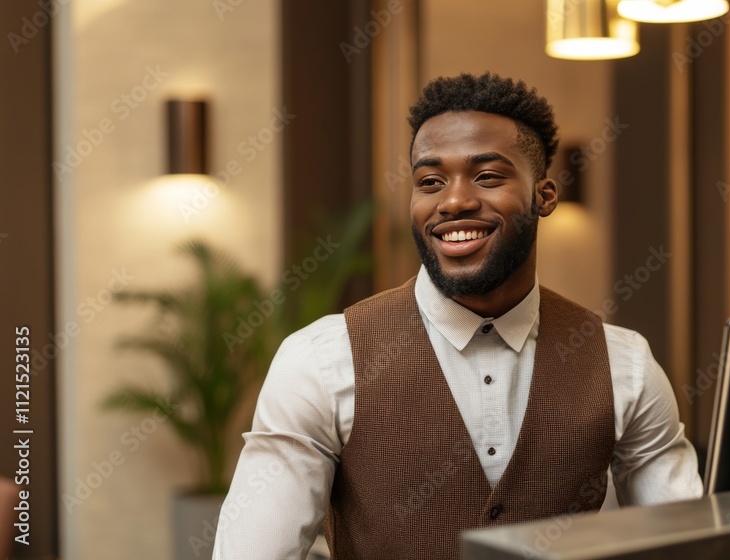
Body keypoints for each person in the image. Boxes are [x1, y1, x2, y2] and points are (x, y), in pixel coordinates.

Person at [213, 72, 701, 559]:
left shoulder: (625, 365)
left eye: (487, 176)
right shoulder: (320, 360)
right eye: (430, 182)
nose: (453, 201)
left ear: (544, 196)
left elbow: (690, 545)